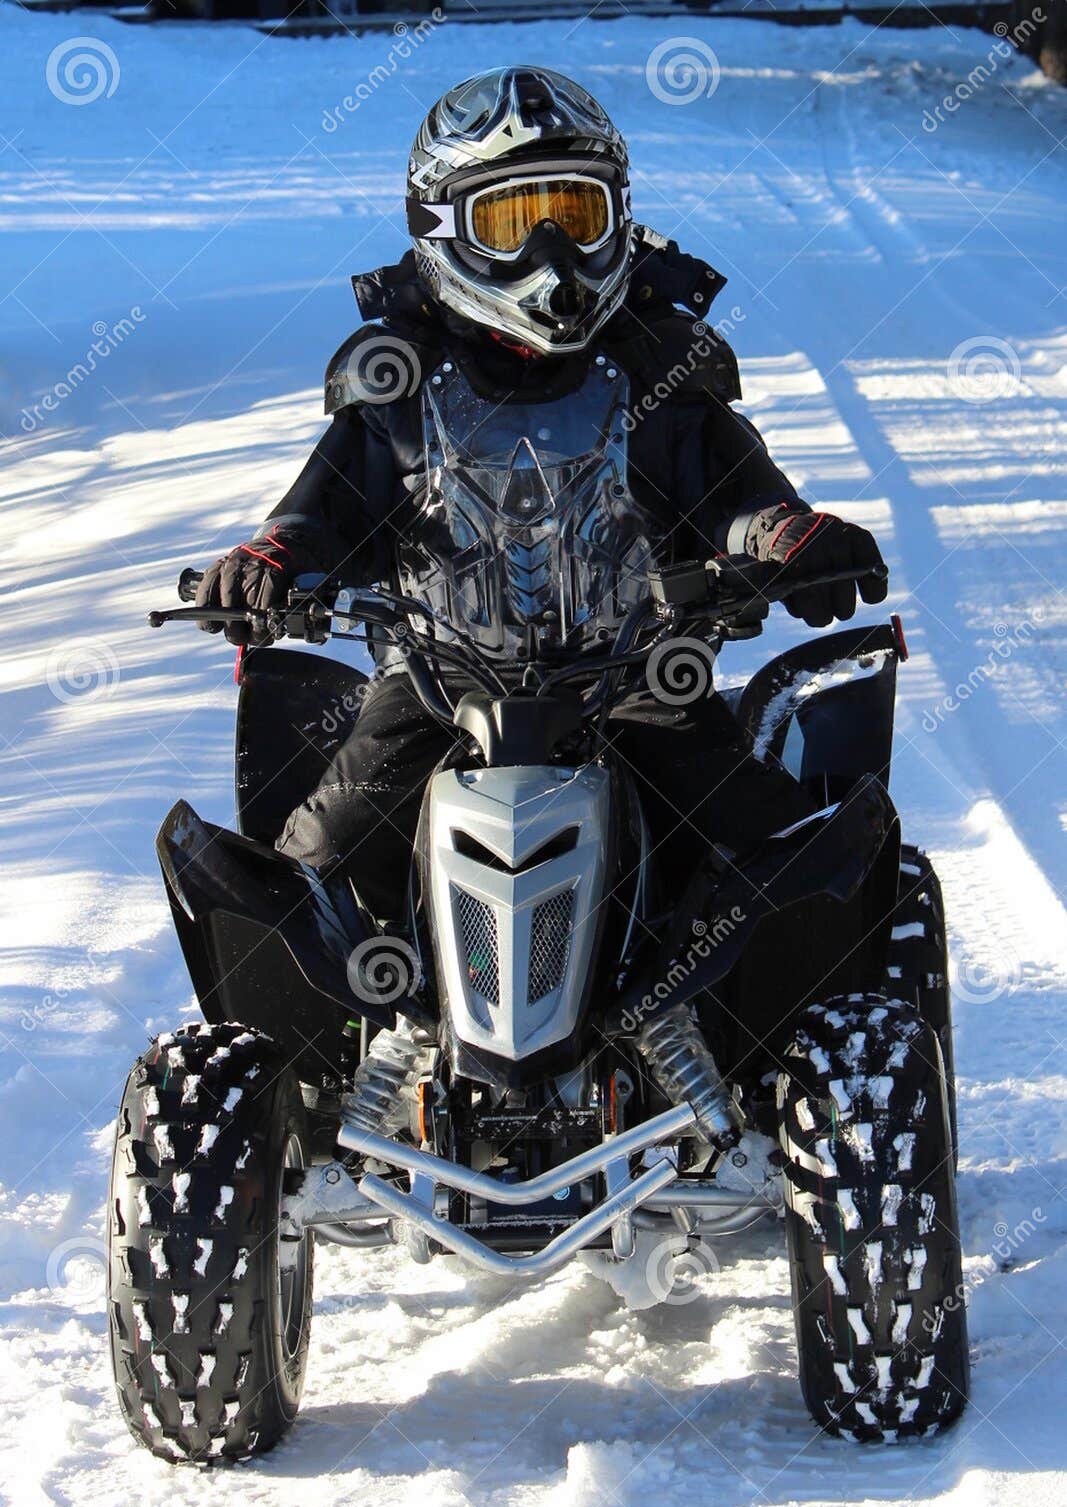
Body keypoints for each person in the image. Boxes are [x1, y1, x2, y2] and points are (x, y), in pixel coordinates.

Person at [196, 67, 886, 925]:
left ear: (620, 216)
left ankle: (757, 1043)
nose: (551, 255)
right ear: (442, 231)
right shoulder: (397, 383)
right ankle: (336, 1050)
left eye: (577, 216)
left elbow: (738, 498)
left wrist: (790, 538)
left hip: (639, 679)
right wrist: (268, 561)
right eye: (512, 222)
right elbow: (320, 510)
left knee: (781, 873)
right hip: (436, 684)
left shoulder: (659, 367)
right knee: (318, 876)